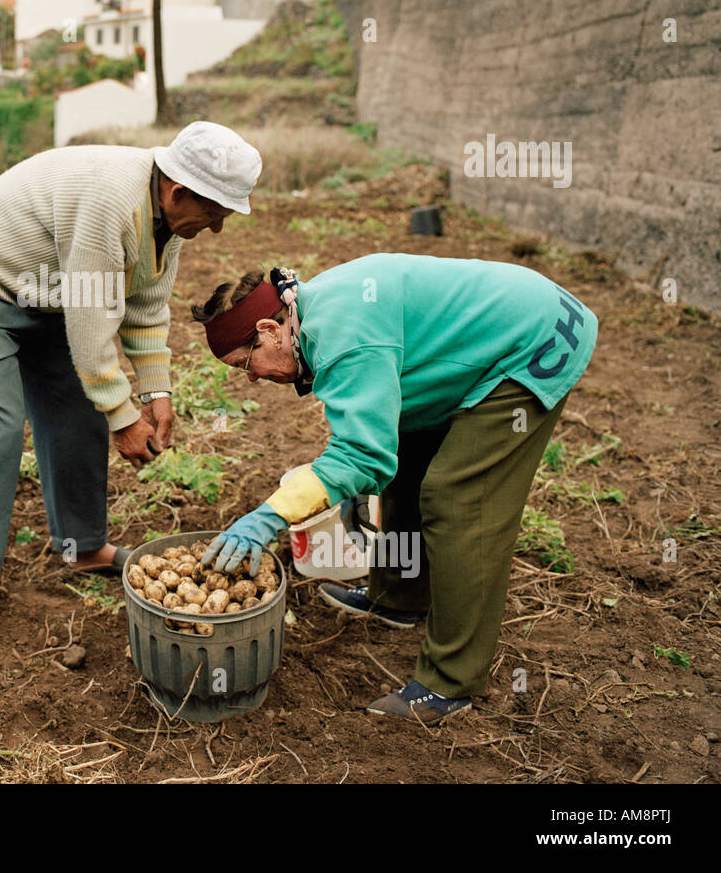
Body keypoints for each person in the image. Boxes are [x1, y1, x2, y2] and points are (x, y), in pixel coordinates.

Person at [192, 253, 598, 721]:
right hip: (495, 331)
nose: (255, 379)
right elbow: (375, 435)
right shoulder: (310, 314)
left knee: (459, 497)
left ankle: (451, 681)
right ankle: (400, 596)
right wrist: (351, 484)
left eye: (247, 364)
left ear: (269, 329)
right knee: (405, 458)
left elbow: (362, 453)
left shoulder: (342, 337)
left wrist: (270, 517)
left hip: (534, 340)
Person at [0, 122, 262, 656]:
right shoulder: (112, 203)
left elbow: (145, 307)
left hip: (50, 293)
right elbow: (91, 323)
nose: (216, 229)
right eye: (215, 214)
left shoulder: (166, 220)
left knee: (80, 412)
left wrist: (156, 392)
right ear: (179, 192)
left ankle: (82, 548)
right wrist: (124, 418)